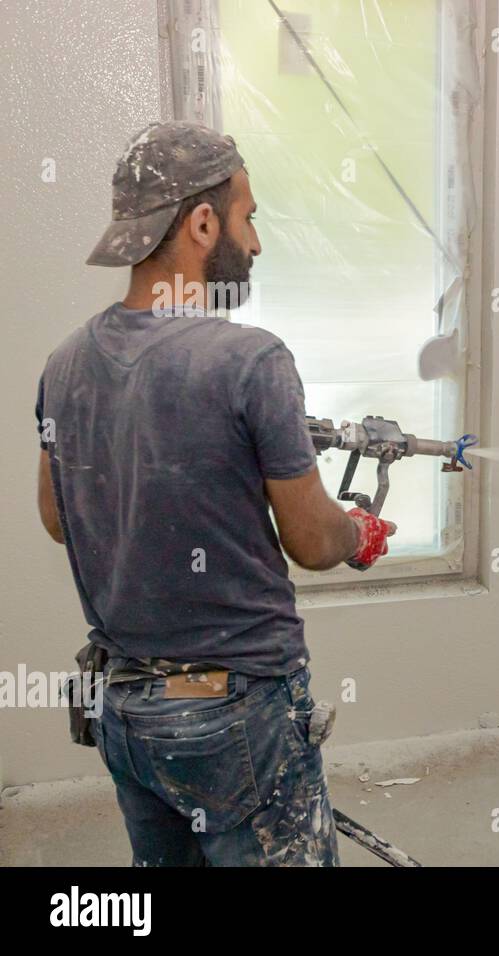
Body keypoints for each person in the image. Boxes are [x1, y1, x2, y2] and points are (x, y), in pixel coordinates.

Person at [34, 121, 395, 866]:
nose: (255, 242)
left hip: (125, 708)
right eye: (247, 216)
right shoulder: (250, 359)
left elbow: (57, 519)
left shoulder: (63, 364)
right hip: (233, 715)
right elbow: (310, 541)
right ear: (201, 224)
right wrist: (356, 532)